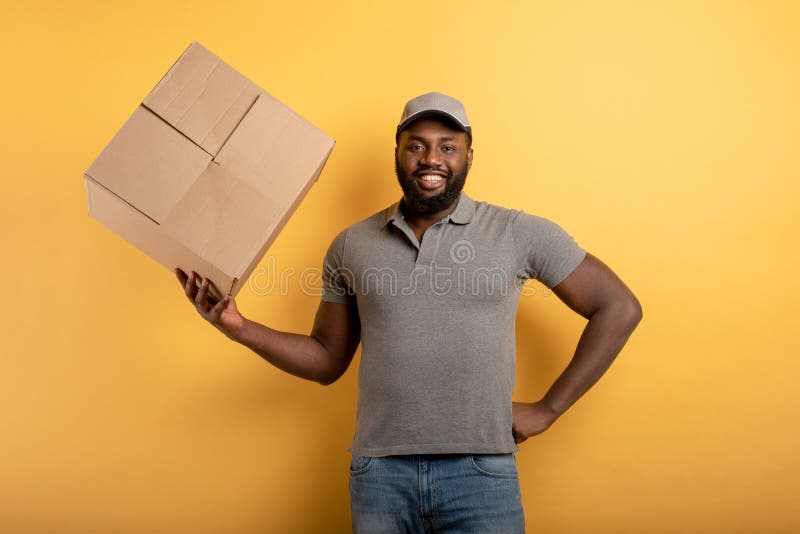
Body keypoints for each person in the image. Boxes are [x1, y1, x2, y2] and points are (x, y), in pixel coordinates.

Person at [176, 92, 642, 533]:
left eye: (448, 146)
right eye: (416, 145)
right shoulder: (352, 244)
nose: (431, 158)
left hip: (481, 472)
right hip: (380, 475)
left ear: (469, 156)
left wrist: (549, 408)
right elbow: (326, 359)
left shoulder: (517, 232)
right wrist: (238, 328)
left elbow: (618, 307)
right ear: (396, 153)